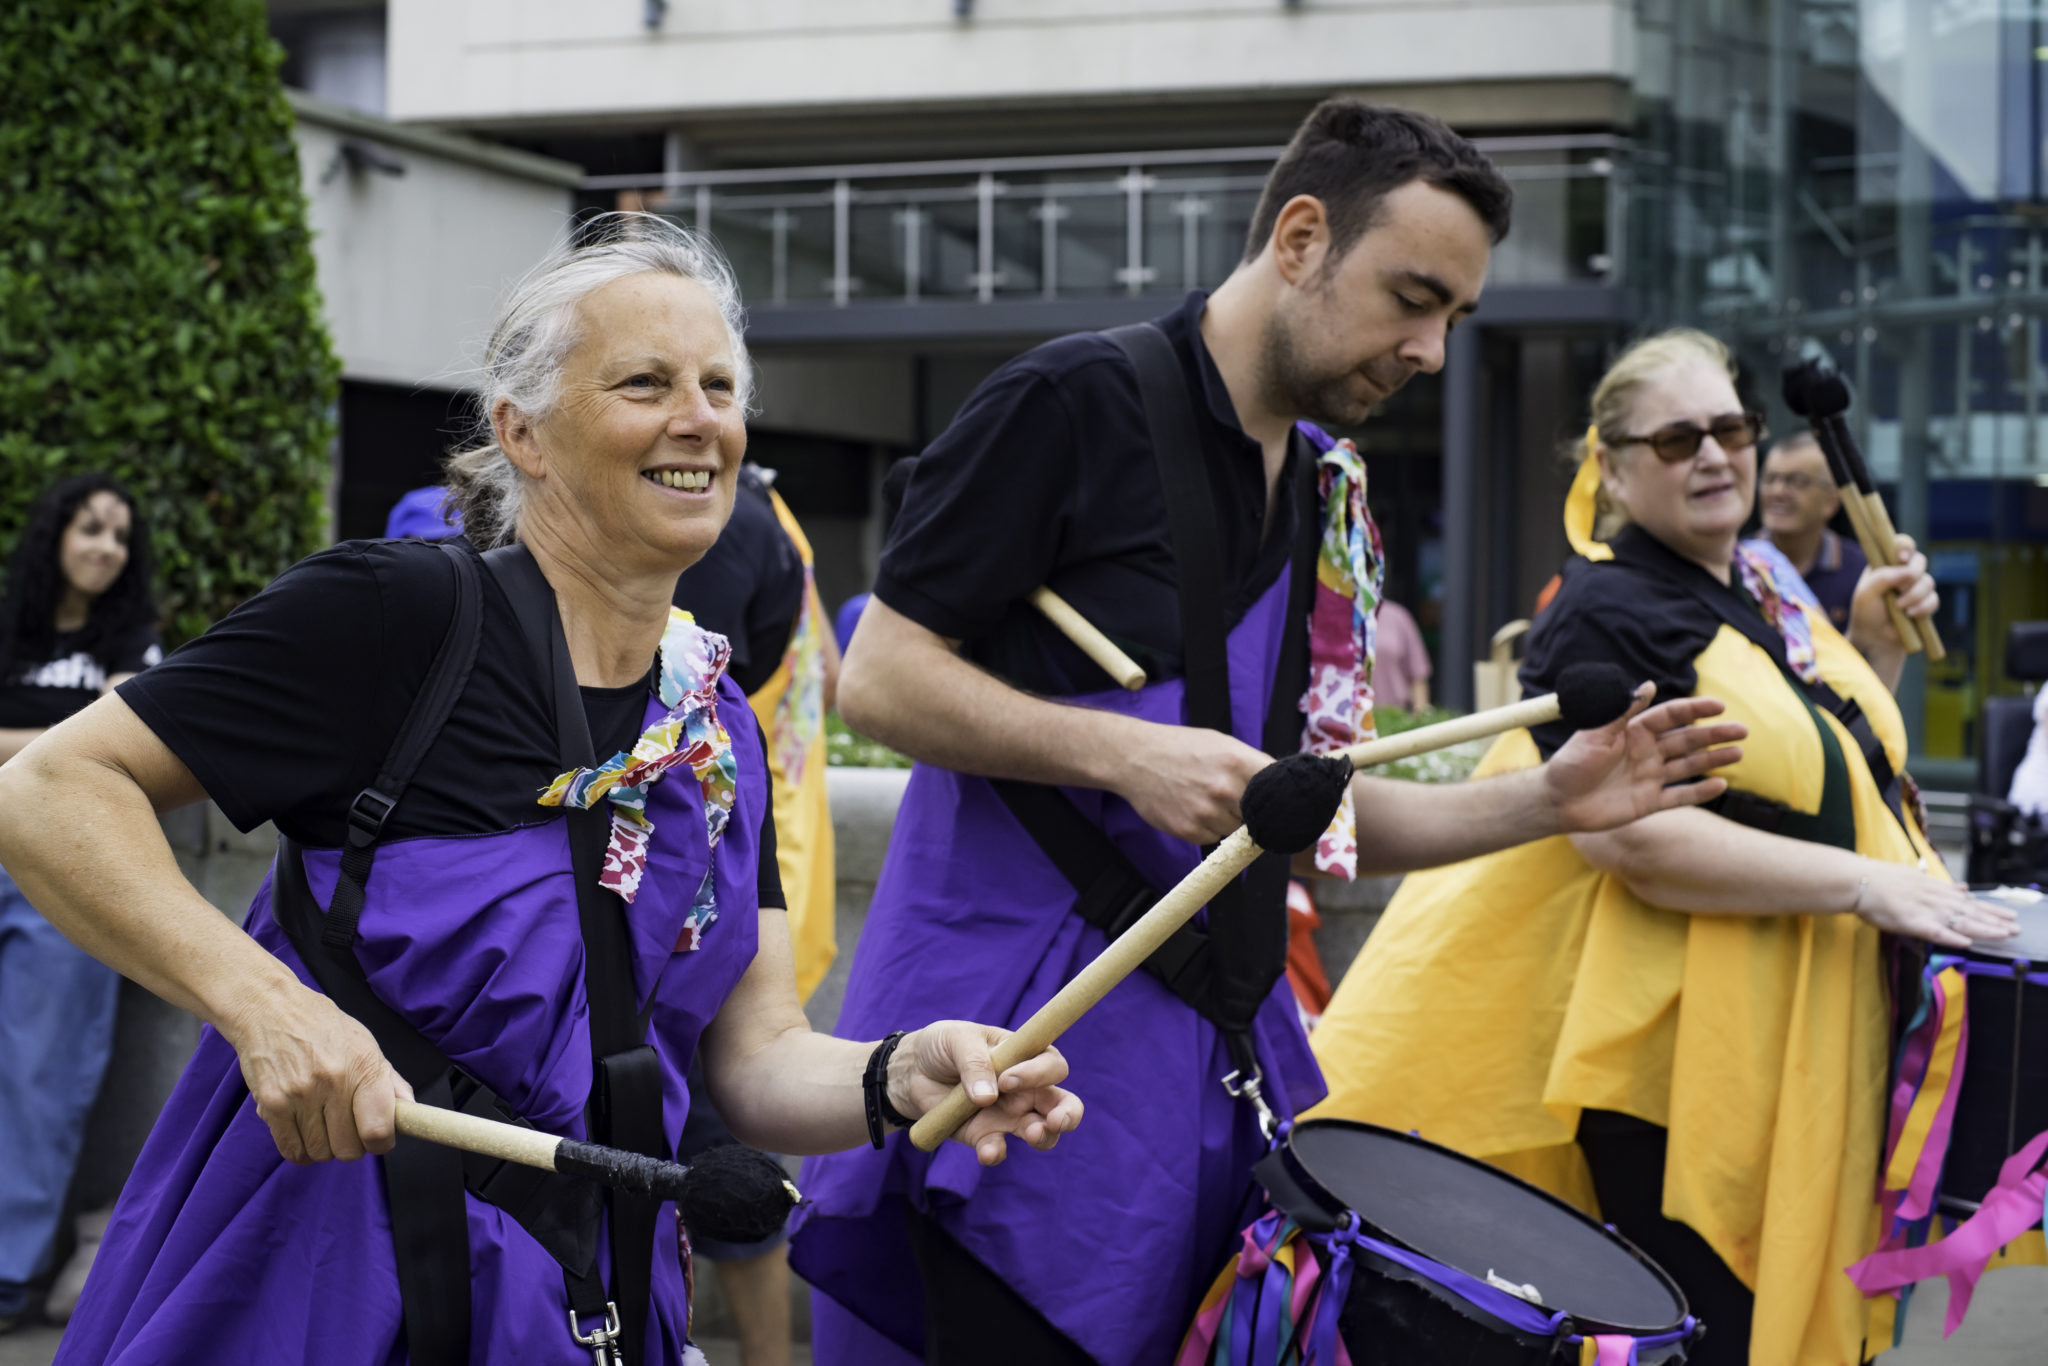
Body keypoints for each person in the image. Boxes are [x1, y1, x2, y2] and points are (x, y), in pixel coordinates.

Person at [0, 214, 1080, 1366]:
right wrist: (263, 1005)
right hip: (321, 1283)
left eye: (719, 385)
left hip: (582, 1304)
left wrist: (892, 1071)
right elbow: (50, 789)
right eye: (644, 381)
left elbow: (754, 1055)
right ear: (523, 431)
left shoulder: (713, 727)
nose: (700, 419)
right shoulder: (393, 618)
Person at [790, 103, 1747, 1366]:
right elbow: (880, 680)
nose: (1431, 350)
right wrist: (1122, 751)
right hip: (1005, 1060)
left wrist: (1556, 800)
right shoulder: (1068, 400)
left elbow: (1303, 816)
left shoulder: (1313, 482)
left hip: (1194, 1074)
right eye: (1412, 298)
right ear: (1300, 236)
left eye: (1454, 316)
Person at [1306, 329, 2018, 1366]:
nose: (1714, 456)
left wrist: (1866, 647)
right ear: (1613, 463)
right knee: (1702, 1333)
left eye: (1729, 428)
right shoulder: (1606, 610)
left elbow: (1816, 787)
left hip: (1796, 1025)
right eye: (1677, 438)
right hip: (1677, 1063)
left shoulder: (1751, 589)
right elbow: (1632, 844)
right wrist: (1869, 886)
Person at [672, 462, 842, 1366]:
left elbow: (693, 707)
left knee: (713, 1147)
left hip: (699, 887)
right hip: (758, 855)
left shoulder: (715, 522)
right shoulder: (772, 510)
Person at [0, 475, 161, 1333]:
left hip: (63, 861)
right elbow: (89, 738)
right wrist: (64, 738)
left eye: (119, 536)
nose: (104, 546)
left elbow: (134, 743)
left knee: (42, 1070)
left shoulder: (134, 640)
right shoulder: (12, 626)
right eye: (89, 528)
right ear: (55, 535)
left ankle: (6, 1275)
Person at [1748, 430, 1866, 631]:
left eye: (1796, 481)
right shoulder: (1736, 563)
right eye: (1769, 479)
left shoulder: (1860, 574)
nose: (1777, 491)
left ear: (1831, 501)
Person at [1371, 596, 1431, 710]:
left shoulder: (1397, 616)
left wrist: (1420, 716)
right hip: (1346, 720)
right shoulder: (1334, 617)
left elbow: (1418, 674)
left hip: (1395, 715)